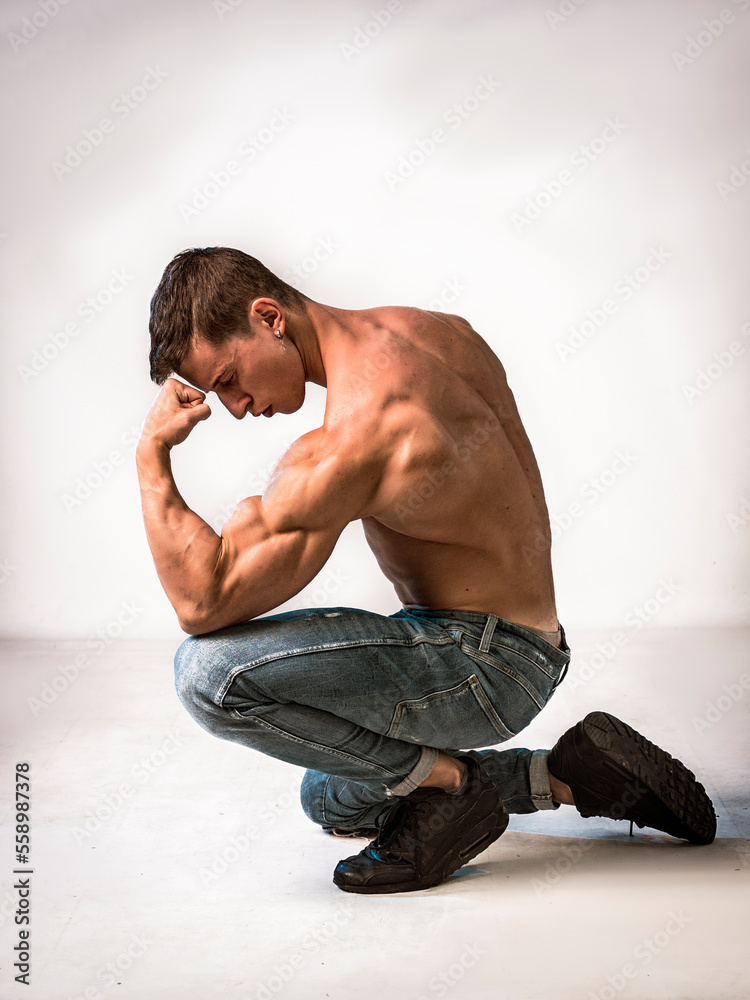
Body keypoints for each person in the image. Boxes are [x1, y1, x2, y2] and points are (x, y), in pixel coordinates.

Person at [136, 247, 716, 895]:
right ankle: (571, 775)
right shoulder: (435, 330)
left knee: (208, 676)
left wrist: (151, 454)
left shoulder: (360, 432)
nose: (235, 407)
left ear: (268, 316)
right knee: (329, 798)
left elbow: (203, 602)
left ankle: (451, 789)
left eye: (227, 378)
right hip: (528, 645)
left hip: (479, 668)